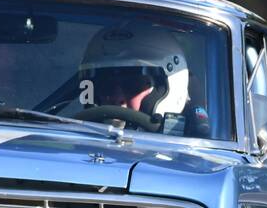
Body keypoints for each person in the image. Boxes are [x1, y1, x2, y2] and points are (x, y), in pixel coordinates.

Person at [68, 20, 211, 136]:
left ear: (168, 87)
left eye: (132, 86)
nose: (116, 98)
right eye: (106, 86)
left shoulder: (191, 165)